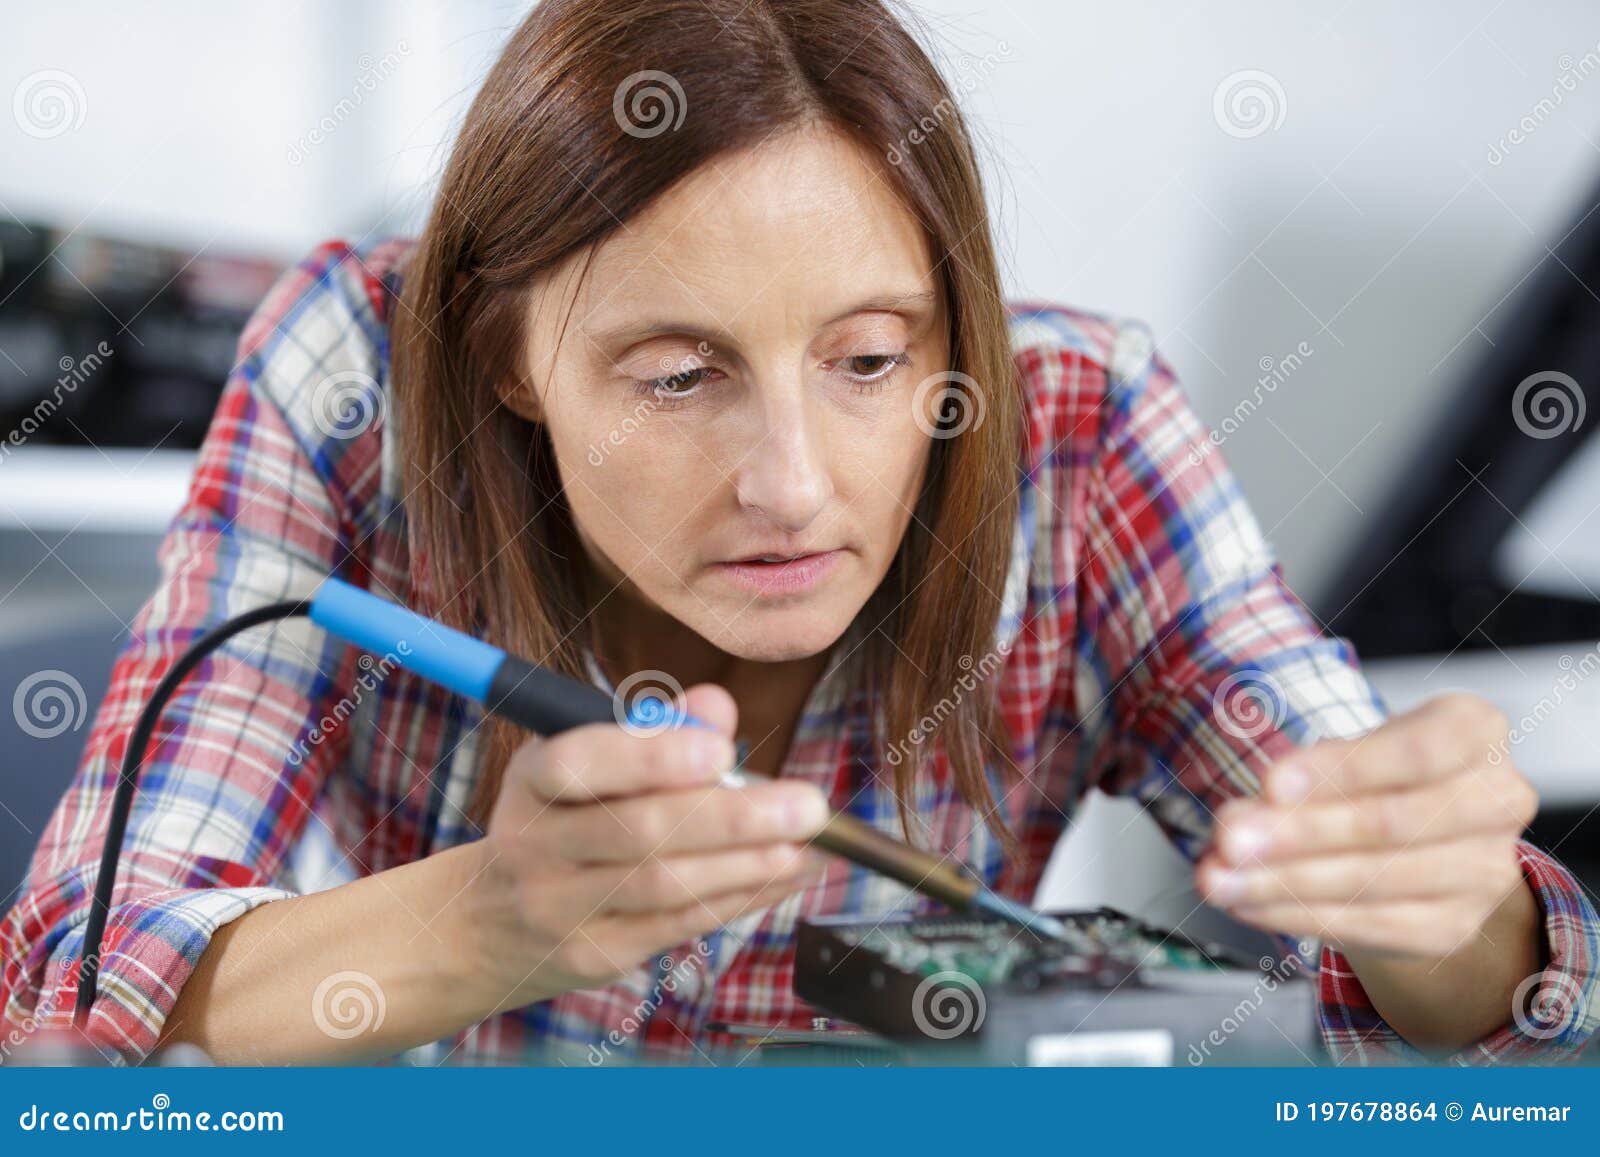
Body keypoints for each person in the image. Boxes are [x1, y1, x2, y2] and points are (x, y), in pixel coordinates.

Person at [3, 0, 1595, 1066]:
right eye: (681, 374)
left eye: (871, 360)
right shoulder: (357, 368)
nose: (794, 484)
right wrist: (495, 916)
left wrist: (1447, 904)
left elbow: (1478, 1013)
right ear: (505, 356)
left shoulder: (1086, 430)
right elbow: (74, 996)